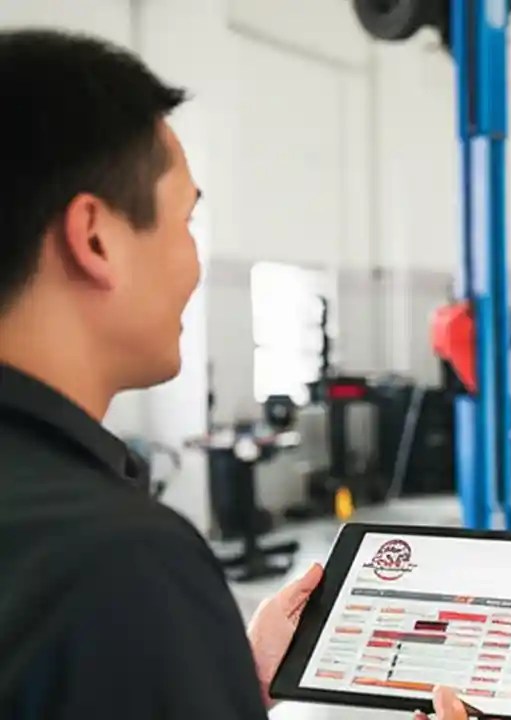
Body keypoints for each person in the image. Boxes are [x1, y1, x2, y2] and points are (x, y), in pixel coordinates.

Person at [0, 29, 424, 719]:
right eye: (187, 220)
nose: (195, 261)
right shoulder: (119, 565)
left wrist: (224, 679)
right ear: (96, 237)